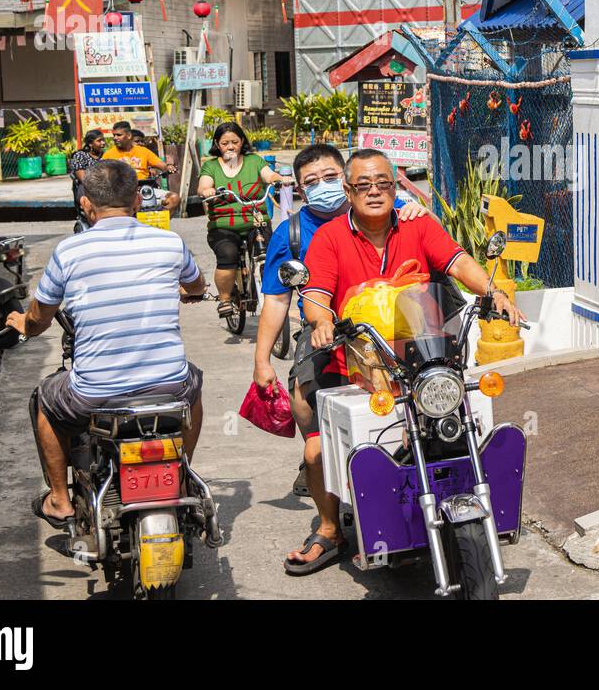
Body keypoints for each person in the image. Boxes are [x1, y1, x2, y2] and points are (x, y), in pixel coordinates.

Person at [296, 149, 525, 573]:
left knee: (467, 415)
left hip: (422, 354)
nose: (374, 192)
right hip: (357, 357)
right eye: (363, 185)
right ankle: (329, 529)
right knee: (314, 452)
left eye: (383, 183)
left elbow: (456, 260)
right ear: (349, 190)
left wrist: (493, 292)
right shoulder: (329, 237)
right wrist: (322, 322)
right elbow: (316, 294)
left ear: (395, 185)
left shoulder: (418, 223)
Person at [252, 144, 430, 568]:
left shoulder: (397, 210)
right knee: (313, 427)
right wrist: (261, 361)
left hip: (401, 330)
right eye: (311, 182)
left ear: (347, 179)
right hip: (326, 335)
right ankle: (329, 525)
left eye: (330, 177)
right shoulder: (292, 234)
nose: (324, 188)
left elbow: (440, 254)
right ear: (299, 188)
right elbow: (276, 302)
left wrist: (419, 213)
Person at [5, 160, 208, 528]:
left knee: (44, 401)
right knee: (193, 387)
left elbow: (39, 317)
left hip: (94, 395)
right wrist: (186, 292)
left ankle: (60, 500)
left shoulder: (69, 251)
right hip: (169, 387)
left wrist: (23, 323)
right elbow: (197, 286)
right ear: (137, 200)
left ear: (86, 204)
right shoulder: (169, 242)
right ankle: (181, 473)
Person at [197, 122, 288, 320]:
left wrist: (277, 178)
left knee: (269, 254)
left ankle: (276, 295)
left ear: (242, 142)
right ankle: (225, 299)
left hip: (256, 220)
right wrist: (207, 191)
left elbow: (268, 174)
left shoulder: (254, 161)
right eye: (225, 143)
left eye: (235, 142)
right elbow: (203, 185)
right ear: (217, 144)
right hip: (223, 224)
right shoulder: (211, 166)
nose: (230, 147)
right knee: (227, 255)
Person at [103, 120, 179, 214]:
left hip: (145, 190)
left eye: (119, 135)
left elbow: (161, 164)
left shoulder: (143, 151)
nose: (115, 138)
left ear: (129, 136)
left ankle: (157, 223)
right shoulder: (108, 154)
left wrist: (168, 167)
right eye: (114, 135)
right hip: (122, 193)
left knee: (174, 198)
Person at [67, 130, 106, 219]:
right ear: (90, 144)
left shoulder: (106, 155)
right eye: (99, 141)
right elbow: (84, 179)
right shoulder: (80, 156)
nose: (103, 143)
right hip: (88, 189)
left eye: (103, 140)